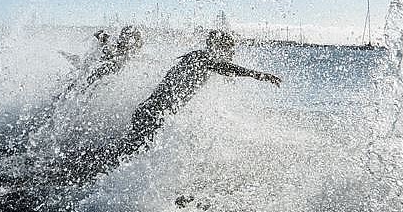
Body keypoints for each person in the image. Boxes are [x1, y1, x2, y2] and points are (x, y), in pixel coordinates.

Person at [117, 30, 281, 157]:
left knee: (129, 156)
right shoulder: (202, 58)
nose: (232, 54)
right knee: (128, 157)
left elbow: (224, 69)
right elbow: (225, 68)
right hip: (151, 115)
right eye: (230, 50)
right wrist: (258, 75)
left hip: (151, 114)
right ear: (219, 47)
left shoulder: (199, 59)